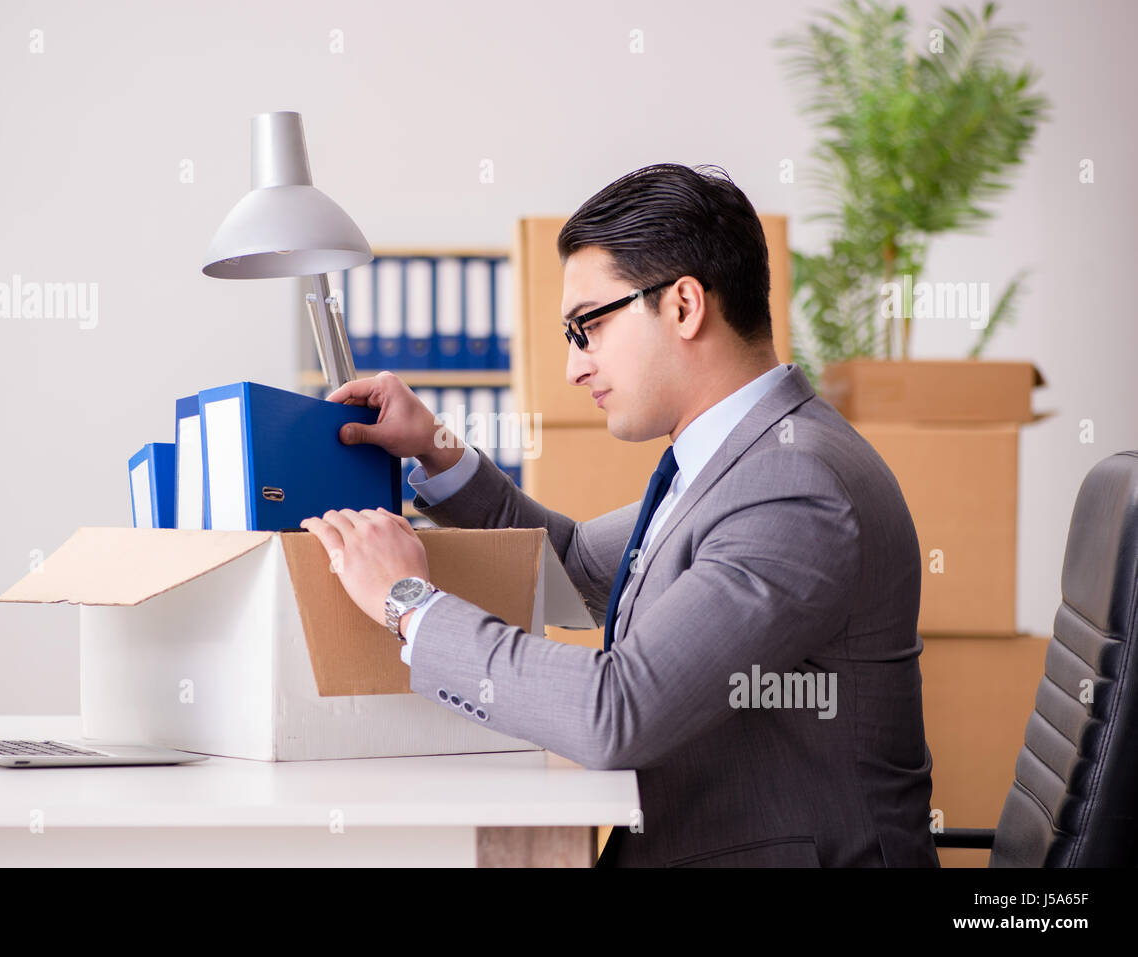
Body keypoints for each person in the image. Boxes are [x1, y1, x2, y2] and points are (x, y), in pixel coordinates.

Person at [298, 163, 940, 867]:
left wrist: (408, 603)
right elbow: (574, 565)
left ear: (685, 305)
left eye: (587, 327)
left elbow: (616, 711)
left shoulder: (793, 486)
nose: (575, 368)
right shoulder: (740, 459)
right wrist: (434, 445)